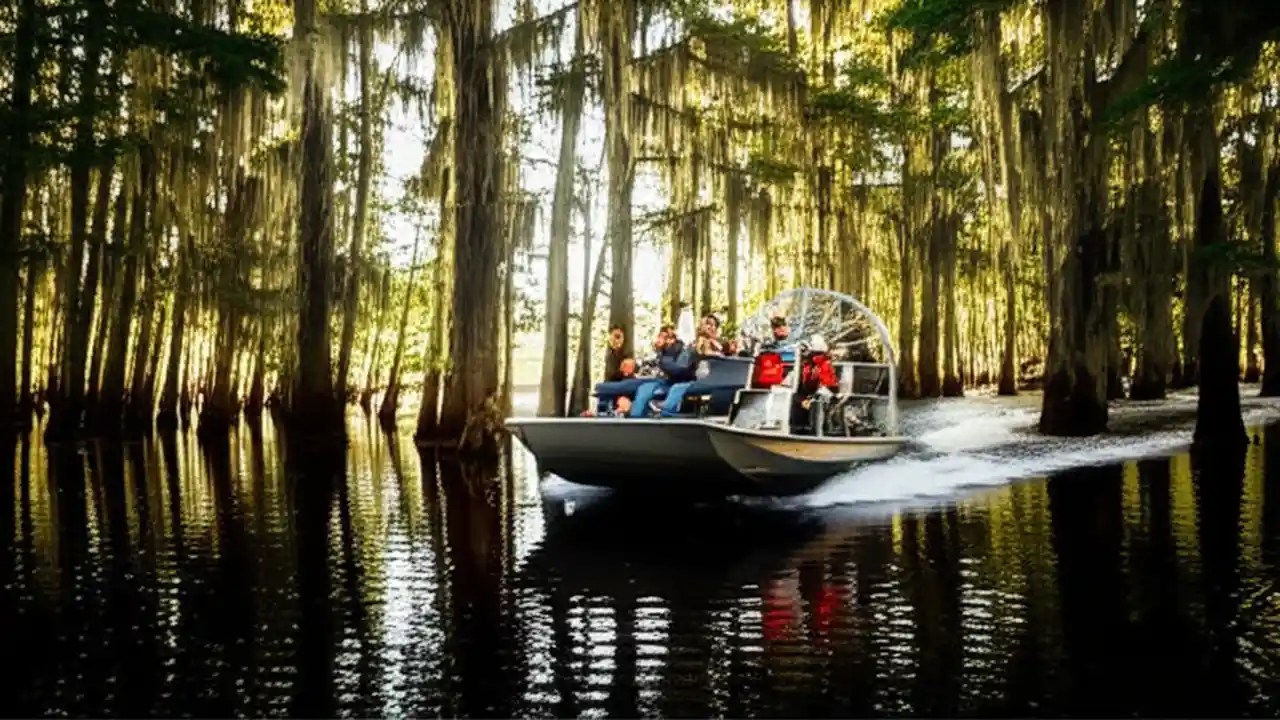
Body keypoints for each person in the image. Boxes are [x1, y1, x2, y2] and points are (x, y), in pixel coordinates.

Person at [629, 325, 697, 418]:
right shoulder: (662, 353)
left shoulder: (682, 351)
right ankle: (636, 416)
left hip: (680, 383)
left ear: (671, 339)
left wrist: (662, 359)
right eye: (659, 336)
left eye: (663, 337)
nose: (659, 340)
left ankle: (665, 412)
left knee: (673, 389)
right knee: (644, 388)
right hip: (665, 382)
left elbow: (679, 370)